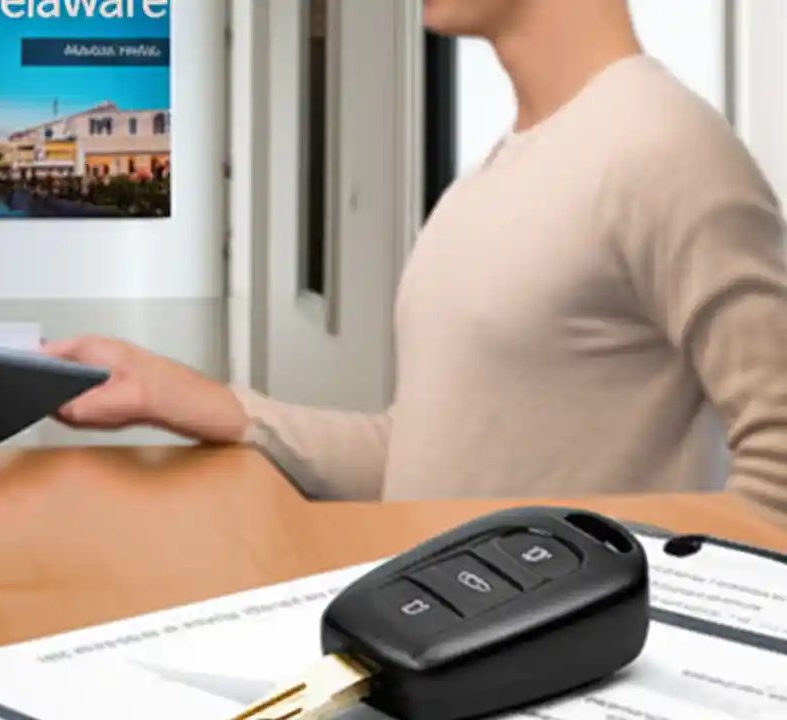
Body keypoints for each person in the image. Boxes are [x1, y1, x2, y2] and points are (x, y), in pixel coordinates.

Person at [44, 0, 787, 520]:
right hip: (447, 647)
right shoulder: (494, 172)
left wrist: (601, 626)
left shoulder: (664, 148)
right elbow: (422, 461)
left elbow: (777, 486)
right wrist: (186, 397)